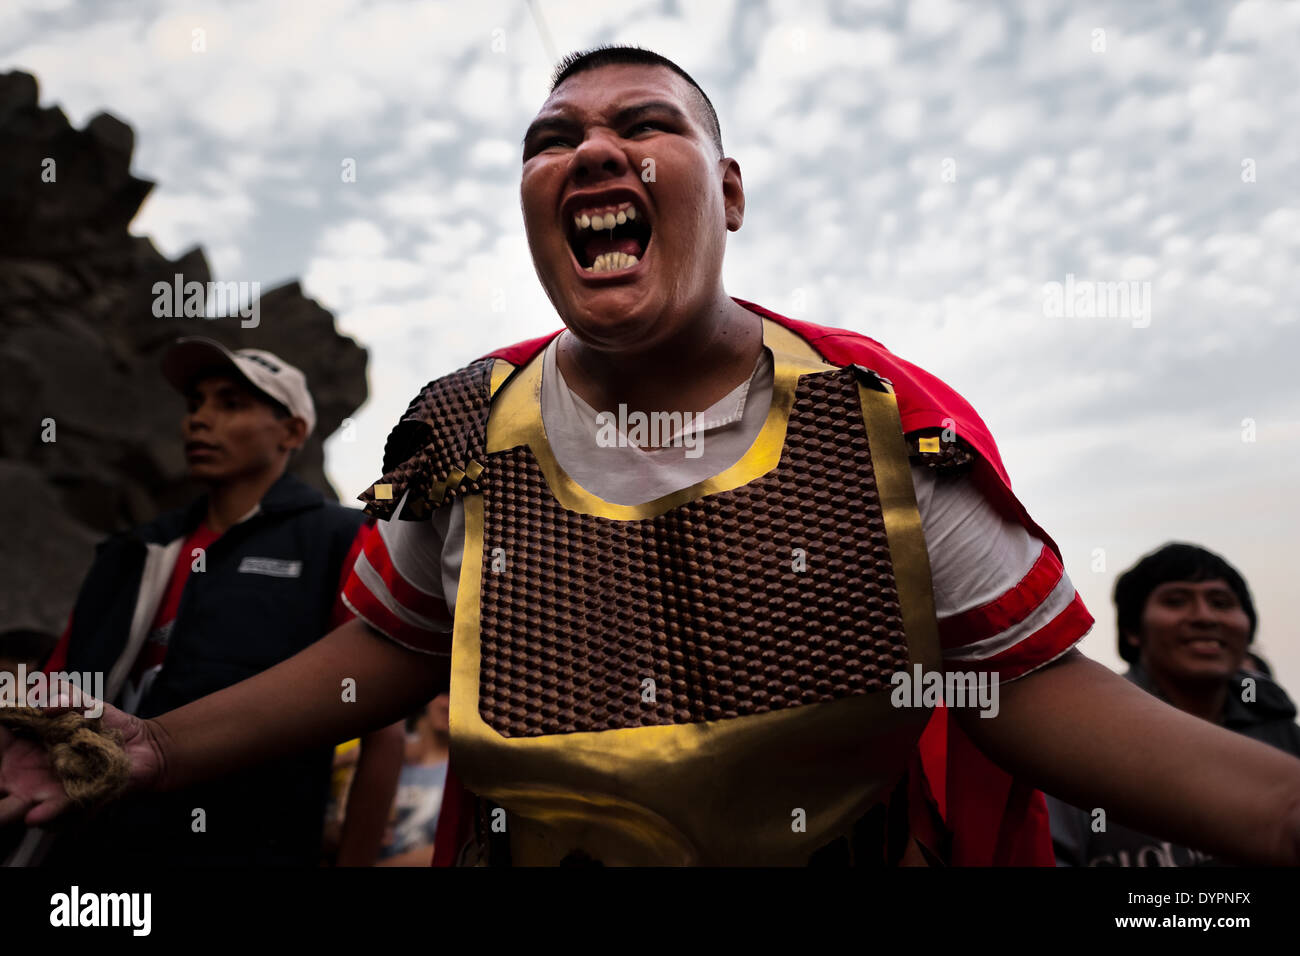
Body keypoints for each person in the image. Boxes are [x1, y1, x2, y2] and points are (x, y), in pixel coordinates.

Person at [3, 47, 1300, 867]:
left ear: (727, 192)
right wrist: (151, 750)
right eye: (551, 139)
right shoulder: (460, 435)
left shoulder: (880, 437)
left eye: (644, 123)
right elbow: (387, 656)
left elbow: (1037, 698)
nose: (592, 149)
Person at [7, 338, 404, 867]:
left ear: (293, 432)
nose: (200, 420)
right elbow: (60, 686)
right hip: (91, 844)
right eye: (196, 404)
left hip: (254, 847)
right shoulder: (131, 549)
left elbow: (383, 727)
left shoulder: (341, 538)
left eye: (231, 403)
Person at [1047, 543, 1300, 866]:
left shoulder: (1282, 733)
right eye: (1176, 601)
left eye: (1221, 602)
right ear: (1133, 631)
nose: (1204, 617)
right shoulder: (1078, 736)